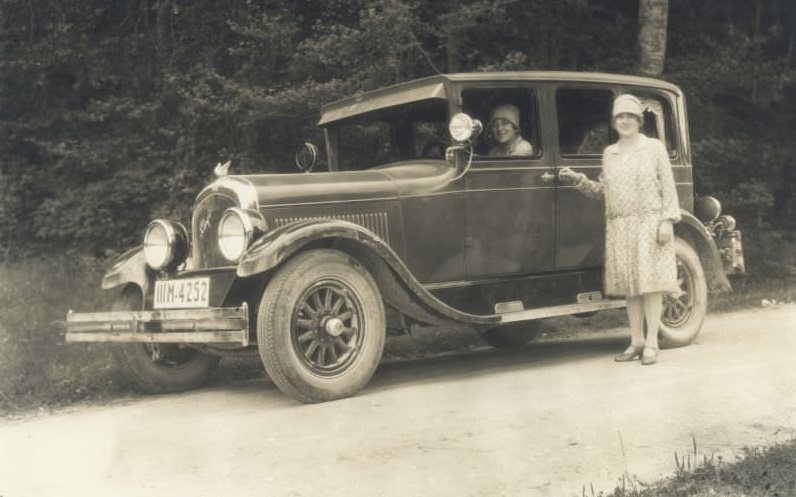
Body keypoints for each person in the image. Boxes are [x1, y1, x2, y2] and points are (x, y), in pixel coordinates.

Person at [558, 94, 681, 366]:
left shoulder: (653, 148)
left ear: (639, 120)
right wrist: (578, 180)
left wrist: (667, 220)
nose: (625, 121)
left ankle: (651, 343)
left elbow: (668, 186)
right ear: (614, 122)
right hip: (620, 226)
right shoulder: (610, 153)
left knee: (650, 285)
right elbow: (603, 190)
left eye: (630, 116)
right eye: (620, 117)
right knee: (630, 287)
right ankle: (636, 341)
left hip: (649, 223)